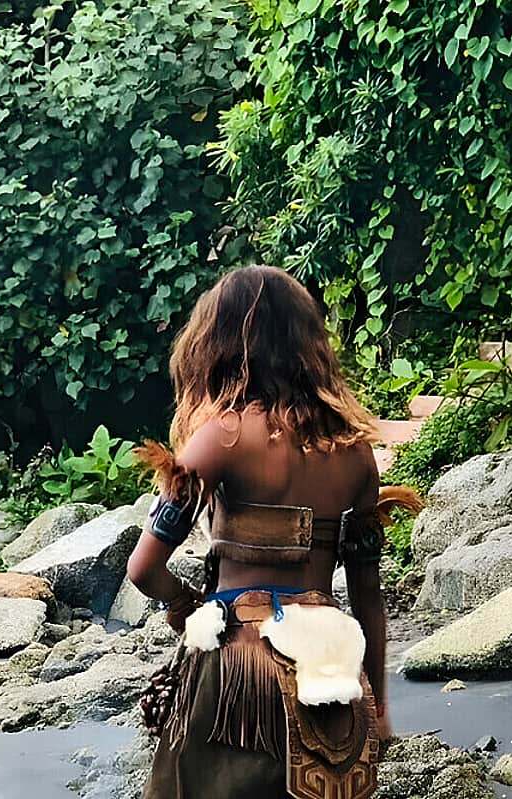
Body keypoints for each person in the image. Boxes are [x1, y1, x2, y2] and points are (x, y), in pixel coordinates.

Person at [127, 265, 420, 799]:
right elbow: (369, 601)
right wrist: (376, 709)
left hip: (239, 665)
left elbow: (143, 569)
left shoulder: (223, 436)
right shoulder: (355, 453)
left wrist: (188, 604)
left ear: (218, 344)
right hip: (329, 669)